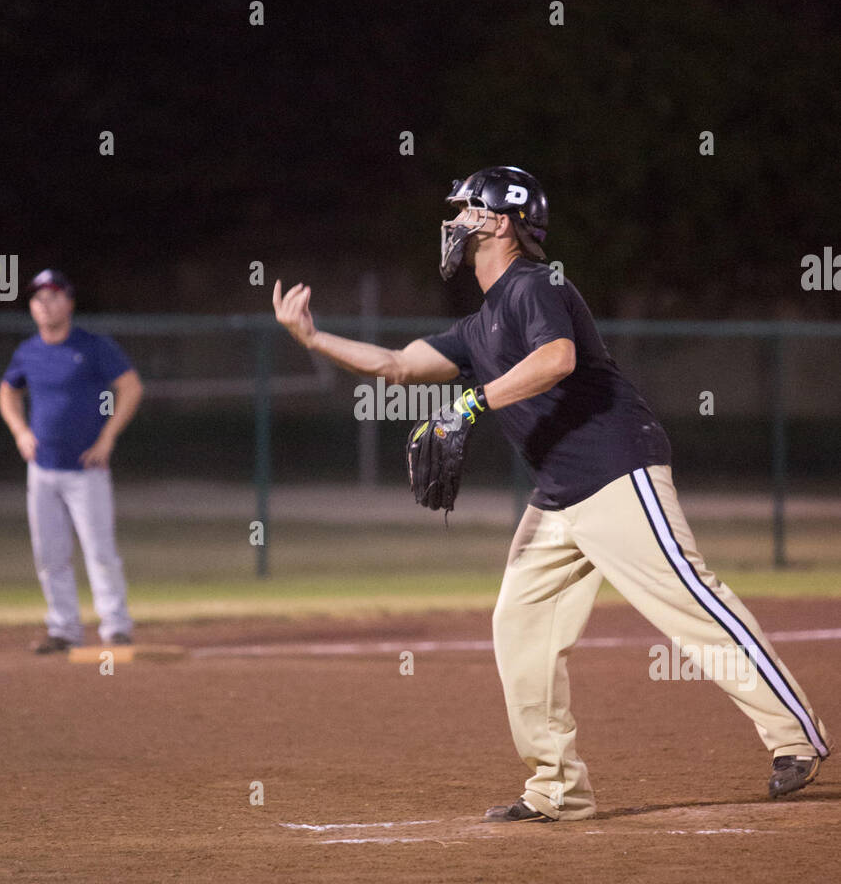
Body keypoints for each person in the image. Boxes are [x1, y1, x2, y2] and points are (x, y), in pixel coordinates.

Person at [272, 167, 831, 820]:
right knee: (520, 626)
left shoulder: (535, 285)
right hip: (559, 495)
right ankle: (557, 790)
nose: (452, 222)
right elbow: (396, 365)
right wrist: (311, 339)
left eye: (465, 210)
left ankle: (797, 737)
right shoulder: (478, 324)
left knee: (692, 604)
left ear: (500, 222)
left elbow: (557, 358)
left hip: (618, 470)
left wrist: (471, 404)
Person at [0, 269, 144, 654]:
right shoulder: (28, 351)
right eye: (37, 298)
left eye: (53, 296)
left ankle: (115, 627)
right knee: (50, 553)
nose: (44, 304)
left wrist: (107, 438)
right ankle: (63, 628)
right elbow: (7, 392)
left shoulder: (94, 346)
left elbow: (129, 387)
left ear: (70, 303)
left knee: (99, 551)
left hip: (87, 469)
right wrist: (20, 432)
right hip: (42, 469)